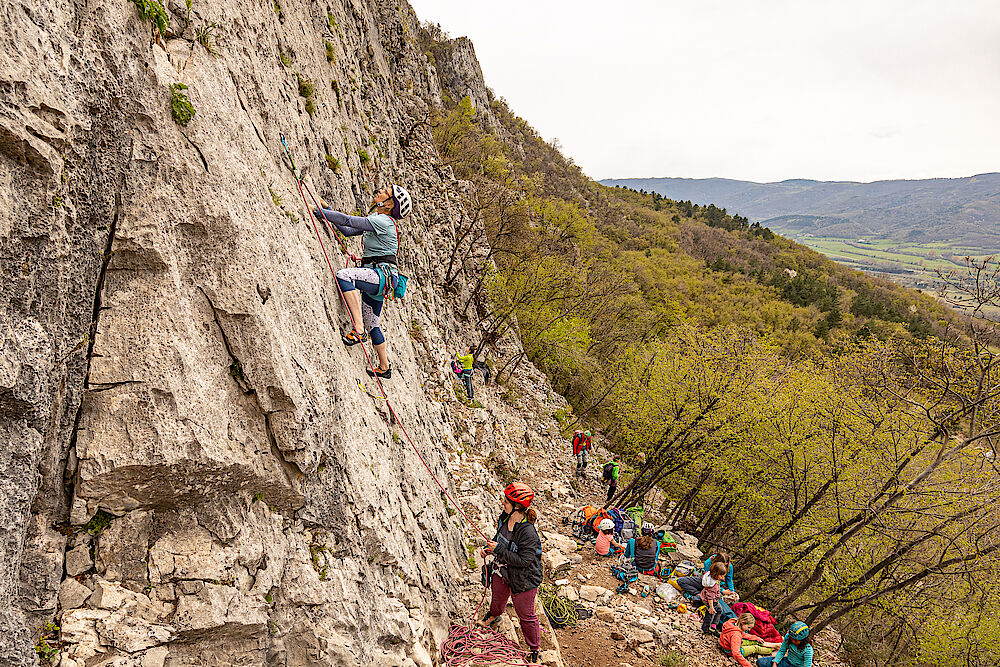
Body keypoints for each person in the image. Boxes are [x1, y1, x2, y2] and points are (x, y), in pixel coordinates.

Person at [313, 184, 412, 379]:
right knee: (372, 322)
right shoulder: (377, 219)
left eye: (386, 193)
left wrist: (318, 211)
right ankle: (384, 366)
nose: (381, 191)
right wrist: (327, 210)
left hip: (380, 275)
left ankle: (358, 330)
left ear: (390, 204)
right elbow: (348, 230)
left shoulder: (384, 221)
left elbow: (348, 220)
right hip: (380, 277)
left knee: (344, 276)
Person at [479, 483, 543, 665]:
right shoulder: (504, 517)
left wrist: (498, 550)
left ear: (517, 506)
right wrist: (489, 549)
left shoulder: (528, 532)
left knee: (526, 615)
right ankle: (494, 614)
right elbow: (499, 538)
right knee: (498, 597)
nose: (503, 503)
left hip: (524, 579)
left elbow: (524, 561)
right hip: (502, 570)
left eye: (506, 501)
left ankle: (534, 649)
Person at [700, 561, 728, 636]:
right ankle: (706, 629)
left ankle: (713, 626)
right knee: (711, 613)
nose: (723, 578)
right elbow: (710, 597)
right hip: (711, 601)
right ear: (716, 574)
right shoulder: (712, 586)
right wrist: (711, 607)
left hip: (712, 598)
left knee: (719, 610)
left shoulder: (710, 577)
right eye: (721, 576)